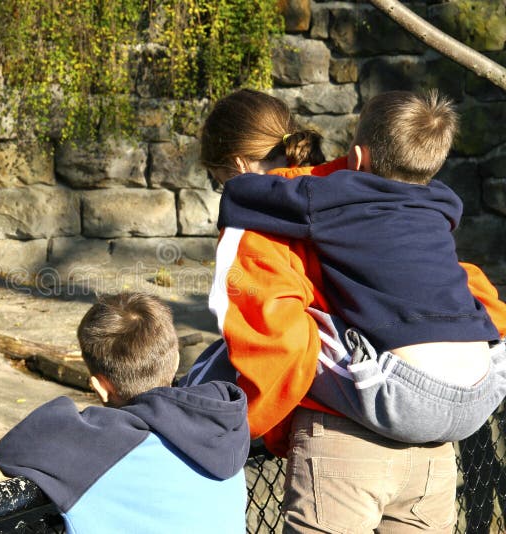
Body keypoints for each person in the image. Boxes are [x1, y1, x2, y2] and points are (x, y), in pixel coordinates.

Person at [181, 88, 506, 532]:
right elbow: (469, 285)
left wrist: (255, 428)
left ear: (237, 168)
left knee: (224, 360)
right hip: (465, 410)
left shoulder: (281, 219)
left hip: (364, 434)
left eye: (222, 180)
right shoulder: (420, 202)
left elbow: (283, 345)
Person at [0, 292, 250, 534]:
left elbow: (13, 449)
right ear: (174, 363)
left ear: (100, 388)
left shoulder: (104, 451)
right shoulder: (222, 426)